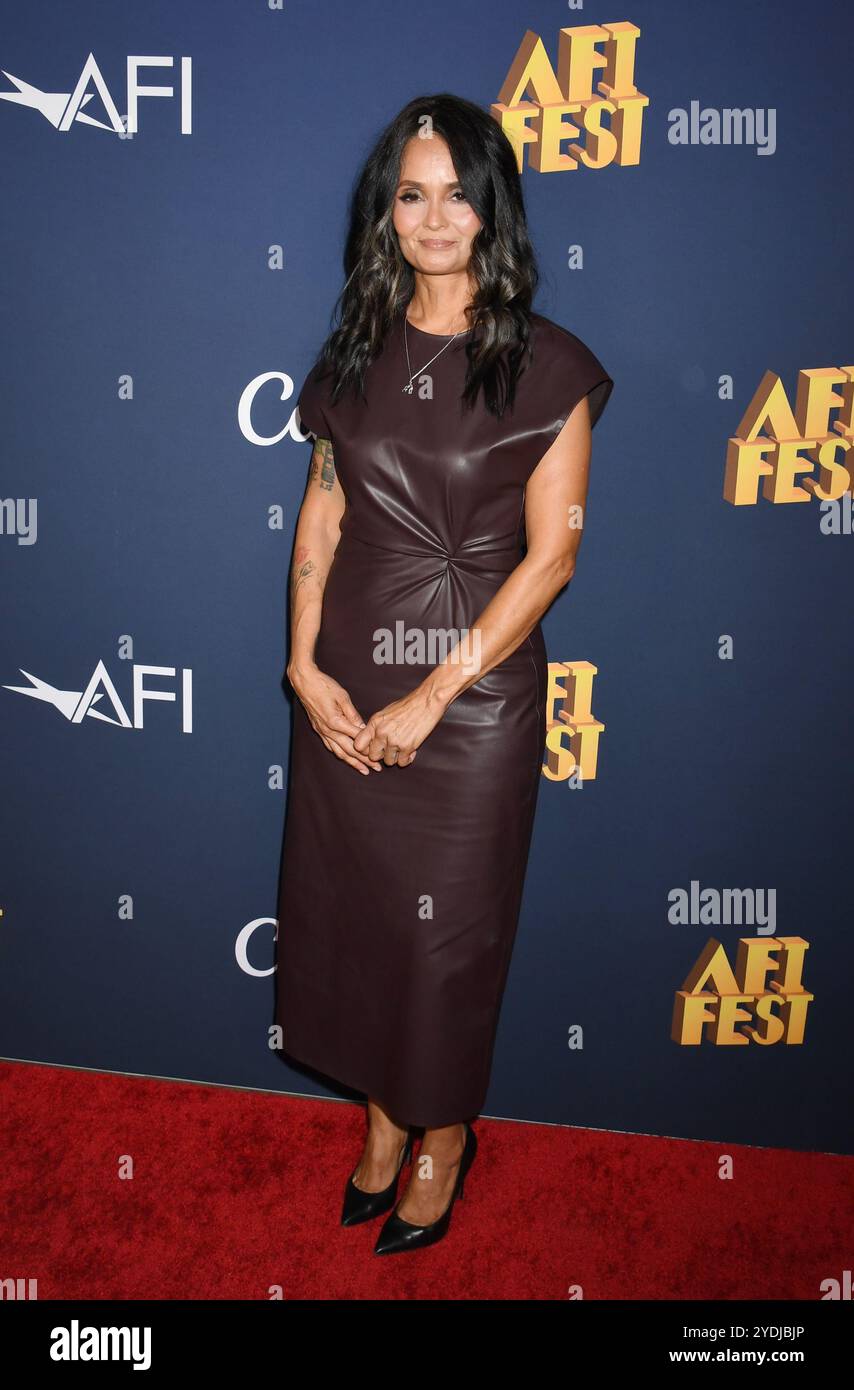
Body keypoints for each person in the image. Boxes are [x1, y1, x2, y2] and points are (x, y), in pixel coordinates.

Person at [275, 92, 613, 1255]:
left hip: (468, 701)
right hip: (345, 676)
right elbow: (323, 504)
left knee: (442, 939)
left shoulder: (552, 364)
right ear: (386, 214)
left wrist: (428, 697)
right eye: (410, 194)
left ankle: (445, 1138)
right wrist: (300, 658)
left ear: (490, 210)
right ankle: (379, 1121)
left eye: (455, 193)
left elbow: (554, 552)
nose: (432, 216)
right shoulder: (353, 349)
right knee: (361, 924)